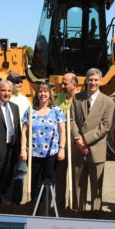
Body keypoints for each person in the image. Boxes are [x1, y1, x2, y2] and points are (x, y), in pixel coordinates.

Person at [69, 68, 115, 211]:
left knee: (97, 187)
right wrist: (78, 139)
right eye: (90, 80)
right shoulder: (77, 98)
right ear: (86, 81)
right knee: (78, 185)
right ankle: (78, 213)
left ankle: (95, 215)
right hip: (78, 149)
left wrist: (85, 140)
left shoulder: (108, 102)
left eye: (95, 80)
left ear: (100, 81)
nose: (93, 82)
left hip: (96, 149)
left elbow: (105, 126)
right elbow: (71, 120)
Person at [21, 83, 66, 211]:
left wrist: (62, 148)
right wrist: (23, 149)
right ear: (37, 94)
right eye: (40, 91)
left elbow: (62, 131)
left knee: (49, 182)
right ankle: (36, 208)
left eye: (45, 91)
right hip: (34, 154)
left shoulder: (56, 111)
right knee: (36, 182)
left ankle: (46, 209)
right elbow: (24, 132)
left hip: (51, 153)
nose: (43, 94)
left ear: (50, 94)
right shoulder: (30, 111)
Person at [54, 72, 78, 209]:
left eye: (65, 83)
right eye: (62, 82)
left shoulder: (80, 98)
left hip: (75, 145)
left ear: (74, 84)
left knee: (75, 177)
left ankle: (74, 205)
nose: (62, 85)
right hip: (61, 145)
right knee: (60, 177)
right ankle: (60, 205)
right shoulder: (60, 98)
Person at [0, 79, 20, 204]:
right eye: (3, 90)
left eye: (9, 91)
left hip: (12, 147)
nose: (6, 93)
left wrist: (19, 149)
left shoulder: (14, 107)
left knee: (9, 175)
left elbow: (18, 129)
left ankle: (6, 203)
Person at [7, 72, 31, 204]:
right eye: (16, 82)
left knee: (21, 170)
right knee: (7, 169)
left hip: (22, 140)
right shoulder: (6, 99)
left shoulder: (25, 100)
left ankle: (16, 201)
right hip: (8, 140)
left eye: (21, 81)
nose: (20, 84)